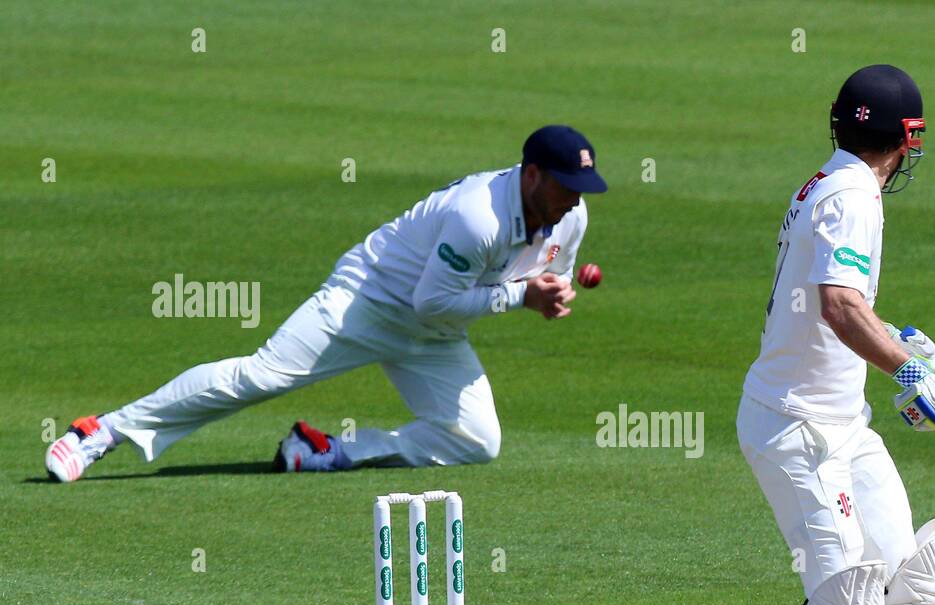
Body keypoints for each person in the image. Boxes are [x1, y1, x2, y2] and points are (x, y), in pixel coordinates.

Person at [44, 126, 606, 482]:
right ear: (531, 174)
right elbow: (433, 299)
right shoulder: (476, 216)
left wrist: (552, 293)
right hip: (370, 299)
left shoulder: (570, 215)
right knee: (261, 376)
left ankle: (327, 451)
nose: (572, 199)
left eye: (580, 188)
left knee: (478, 442)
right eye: (563, 185)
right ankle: (102, 431)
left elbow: (541, 277)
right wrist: (519, 297)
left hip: (434, 328)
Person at [736, 65, 935, 605]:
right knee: (846, 600)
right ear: (904, 139)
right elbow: (837, 306)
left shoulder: (838, 186)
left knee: (911, 577)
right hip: (795, 426)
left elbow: (837, 311)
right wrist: (908, 376)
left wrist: (904, 353)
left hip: (841, 421)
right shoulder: (851, 195)